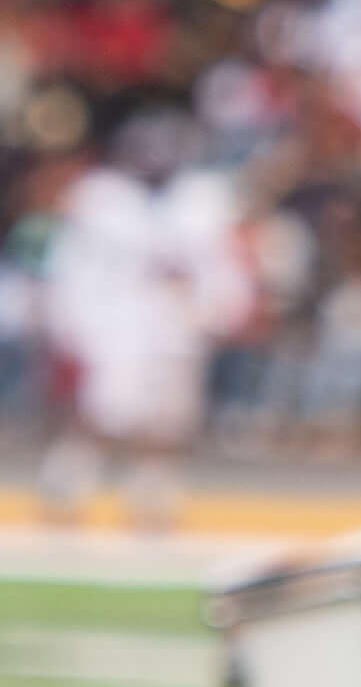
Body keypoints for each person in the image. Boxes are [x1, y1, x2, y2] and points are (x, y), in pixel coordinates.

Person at [38, 106, 254, 529]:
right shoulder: (101, 198)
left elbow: (221, 263)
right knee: (102, 412)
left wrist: (221, 310)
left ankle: (153, 497)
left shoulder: (203, 199)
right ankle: (67, 484)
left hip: (177, 323)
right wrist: (69, 322)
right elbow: (72, 265)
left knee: (168, 420)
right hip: (115, 323)